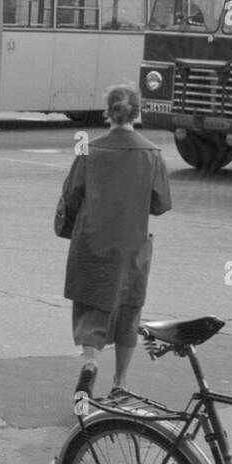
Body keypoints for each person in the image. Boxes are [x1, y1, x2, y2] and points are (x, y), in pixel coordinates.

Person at [59, 82, 172, 406]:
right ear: (137, 112)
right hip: (131, 247)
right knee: (128, 313)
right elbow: (160, 203)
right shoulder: (151, 154)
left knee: (90, 310)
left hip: (91, 243)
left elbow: (71, 195)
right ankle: (120, 383)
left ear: (108, 113)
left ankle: (91, 362)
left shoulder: (90, 151)